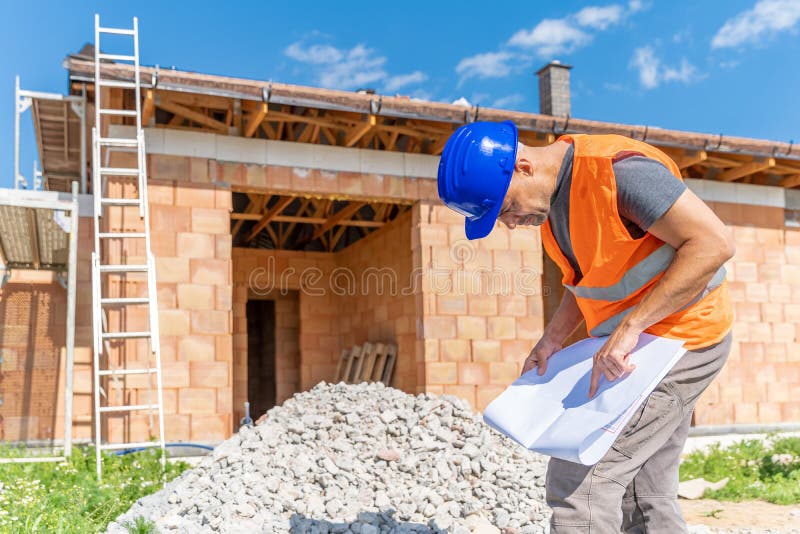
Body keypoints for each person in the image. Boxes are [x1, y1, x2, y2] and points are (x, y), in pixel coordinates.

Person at [437, 120, 734, 533]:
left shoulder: (617, 173)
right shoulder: (553, 208)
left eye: (505, 208)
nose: (509, 222)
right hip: (642, 347)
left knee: (582, 478)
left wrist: (631, 327)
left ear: (521, 166)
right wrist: (552, 340)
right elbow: (588, 283)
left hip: (683, 337)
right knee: (644, 490)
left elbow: (714, 244)